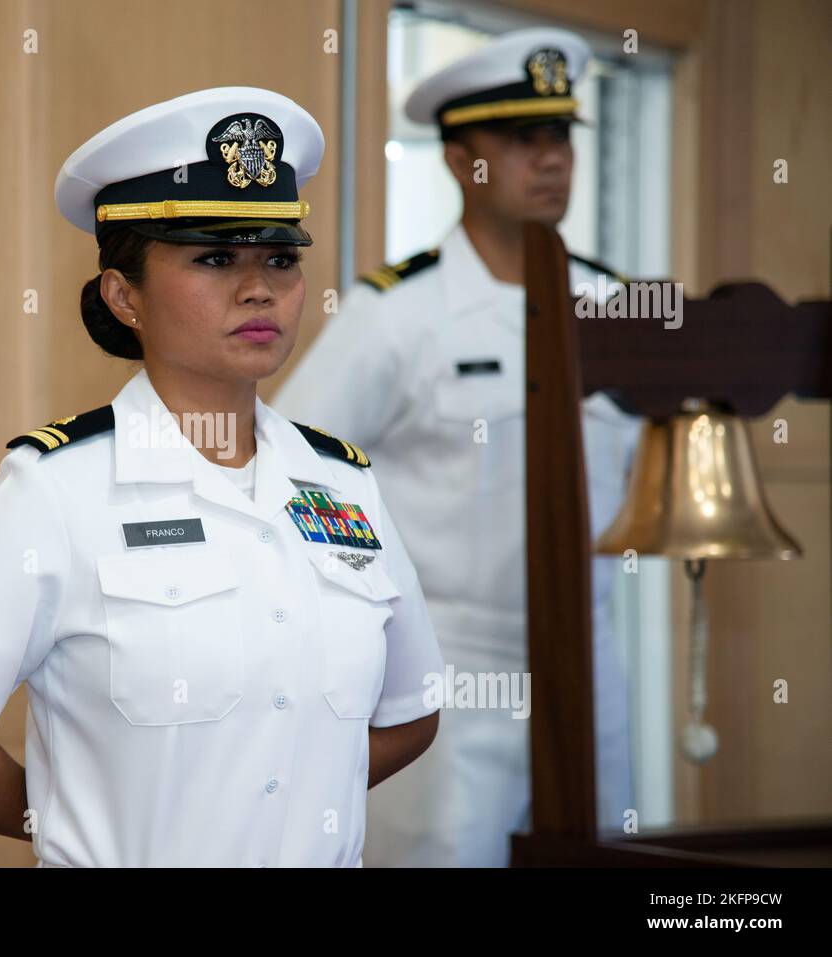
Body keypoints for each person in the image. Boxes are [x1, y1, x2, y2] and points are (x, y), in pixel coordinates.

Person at [0, 86, 446, 867]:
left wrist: (292, 810)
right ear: (123, 294)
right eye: (213, 258)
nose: (259, 287)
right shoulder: (56, 489)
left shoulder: (342, 484)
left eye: (280, 257)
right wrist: (66, 820)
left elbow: (411, 710)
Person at [274, 28, 643, 867]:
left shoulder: (617, 306)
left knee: (622, 862)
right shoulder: (397, 312)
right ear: (458, 158)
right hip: (449, 671)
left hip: (591, 663)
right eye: (521, 139)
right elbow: (293, 472)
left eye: (560, 137)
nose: (550, 159)